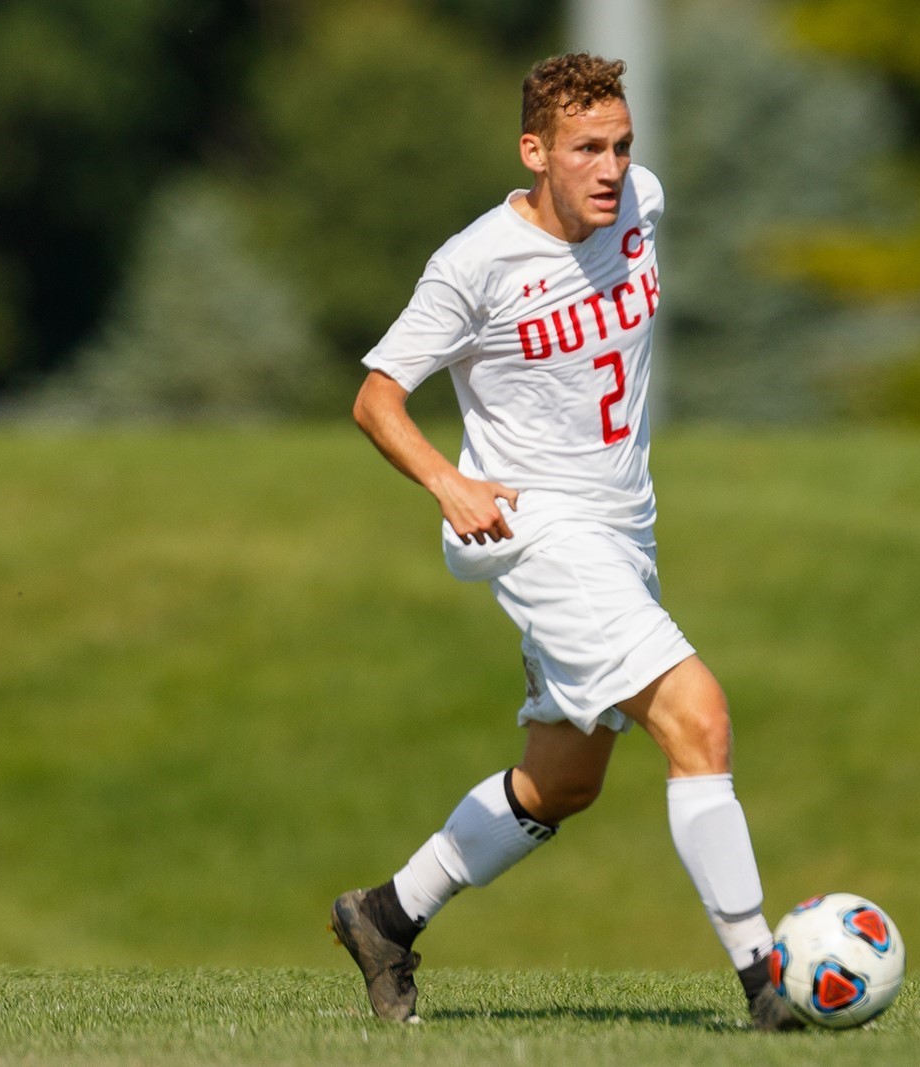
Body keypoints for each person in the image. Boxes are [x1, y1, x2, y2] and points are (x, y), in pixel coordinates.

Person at [332, 52, 800, 1032]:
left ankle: (385, 915)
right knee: (699, 716)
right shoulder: (474, 265)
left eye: (622, 146)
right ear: (533, 152)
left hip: (625, 530)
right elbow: (377, 399)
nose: (611, 168)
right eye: (587, 148)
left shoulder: (641, 205)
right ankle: (768, 982)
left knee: (562, 780)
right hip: (541, 531)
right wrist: (450, 482)